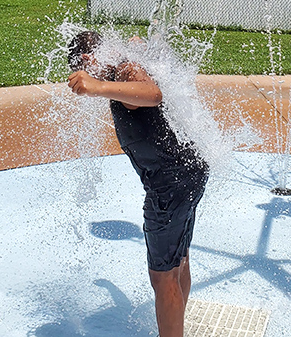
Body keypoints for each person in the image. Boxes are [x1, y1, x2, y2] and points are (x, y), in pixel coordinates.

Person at [67, 30, 208, 337]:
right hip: (185, 174)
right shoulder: (123, 67)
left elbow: (153, 93)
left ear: (89, 59)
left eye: (81, 69)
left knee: (163, 277)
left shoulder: (123, 69)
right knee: (178, 261)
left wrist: (97, 86)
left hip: (169, 185)